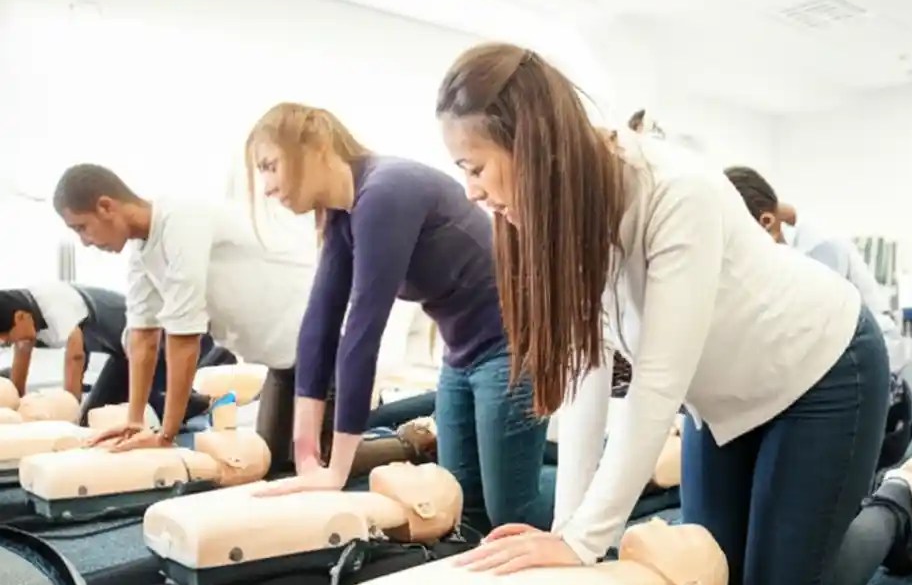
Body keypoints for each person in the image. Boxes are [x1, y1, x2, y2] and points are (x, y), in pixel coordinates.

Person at [435, 42, 912, 585]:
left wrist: (586, 542)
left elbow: (656, 385)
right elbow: (587, 374)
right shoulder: (566, 209)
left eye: (474, 167)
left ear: (530, 145)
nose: (468, 191)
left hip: (821, 370)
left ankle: (896, 507)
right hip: (721, 399)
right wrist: (568, 533)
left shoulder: (674, 191)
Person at [243, 102, 552, 533]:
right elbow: (321, 325)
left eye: (270, 166)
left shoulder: (386, 191)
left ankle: (596, 492)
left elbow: (363, 332)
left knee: (511, 512)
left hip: (512, 347)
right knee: (465, 512)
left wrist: (336, 473)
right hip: (461, 354)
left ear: (315, 147)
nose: (268, 187)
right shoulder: (343, 214)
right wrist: (307, 456)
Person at [51, 164, 315, 462]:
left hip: (320, 347)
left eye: (81, 228)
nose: (84, 242)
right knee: (271, 461)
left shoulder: (182, 220)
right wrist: (135, 422)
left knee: (315, 467)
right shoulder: (141, 250)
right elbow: (143, 337)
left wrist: (166, 435)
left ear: (106, 206)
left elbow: (184, 338)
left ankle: (375, 454)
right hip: (282, 364)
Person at [724, 165, 912, 468]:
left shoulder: (821, 251)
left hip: (865, 373)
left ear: (766, 223)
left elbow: (809, 339)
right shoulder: (781, 238)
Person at [0, 284, 225, 423]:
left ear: (20, 317)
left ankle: (210, 400)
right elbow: (22, 355)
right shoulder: (23, 317)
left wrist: (69, 413)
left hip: (159, 343)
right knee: (95, 418)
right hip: (124, 356)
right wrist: (17, 406)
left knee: (153, 408)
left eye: (6, 336)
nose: (8, 342)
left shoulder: (55, 304)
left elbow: (76, 359)